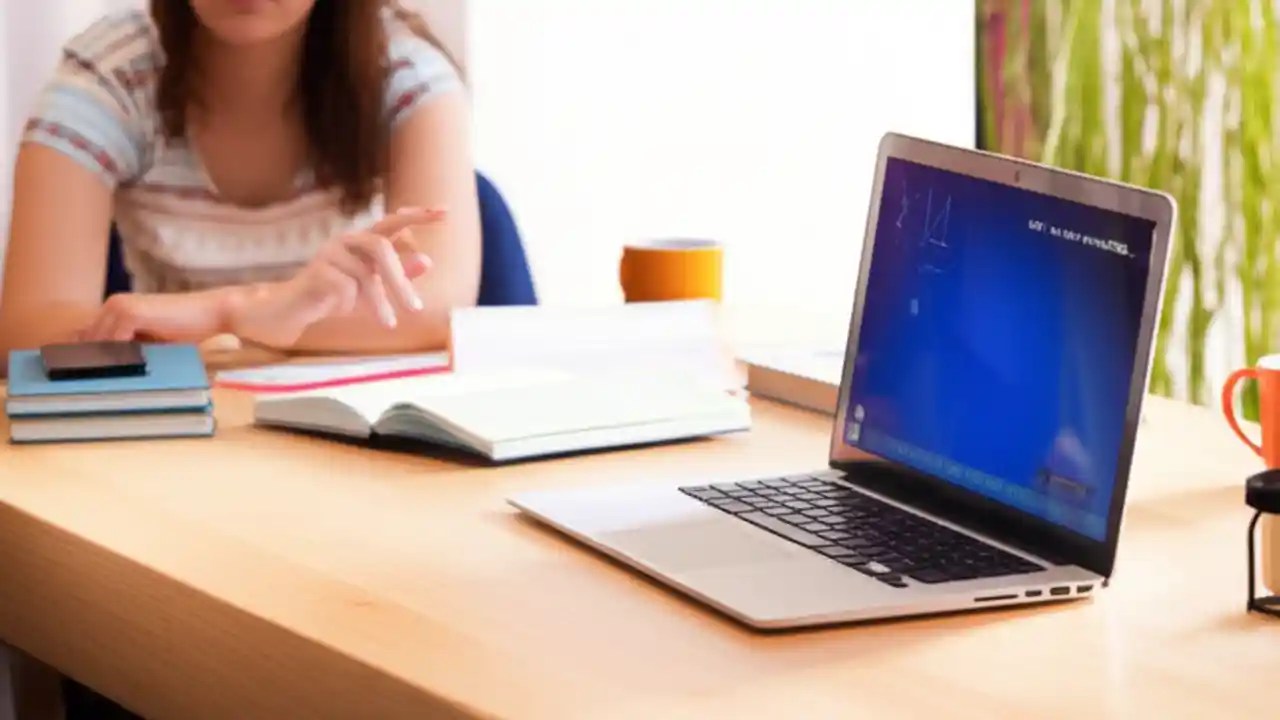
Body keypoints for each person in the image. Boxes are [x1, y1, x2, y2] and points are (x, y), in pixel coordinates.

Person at [0, 0, 482, 368]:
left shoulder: (404, 74)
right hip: (171, 437)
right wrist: (264, 313)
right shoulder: (108, 79)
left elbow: (440, 307)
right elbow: (24, 336)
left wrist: (233, 312)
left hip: (351, 440)